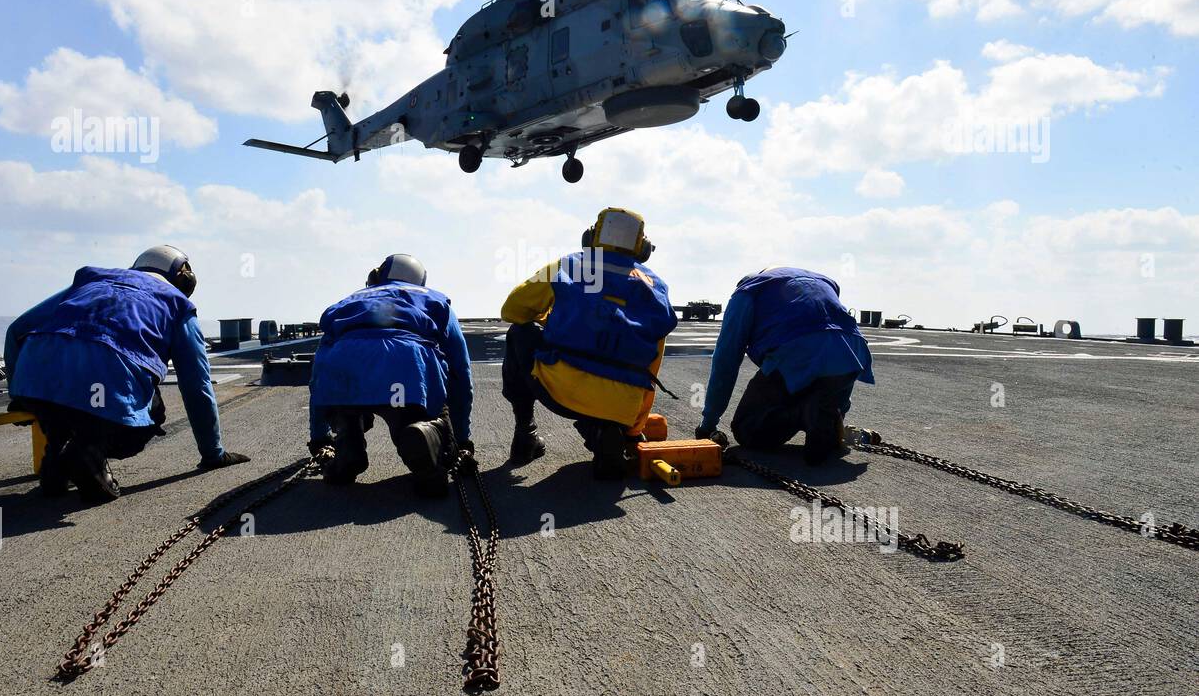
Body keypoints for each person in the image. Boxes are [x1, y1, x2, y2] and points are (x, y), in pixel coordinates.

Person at [4, 245, 249, 501]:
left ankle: (58, 461)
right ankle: (88, 452)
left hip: (34, 379)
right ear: (183, 279)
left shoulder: (93, 280)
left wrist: (18, 395)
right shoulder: (178, 306)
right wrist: (213, 453)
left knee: (65, 404)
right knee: (149, 413)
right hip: (106, 380)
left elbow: (16, 329)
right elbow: (197, 386)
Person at [500, 207, 678, 479]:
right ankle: (605, 433)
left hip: (561, 391)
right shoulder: (656, 287)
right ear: (643, 248)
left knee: (519, 332)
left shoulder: (569, 264)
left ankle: (526, 434)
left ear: (590, 237)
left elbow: (512, 310)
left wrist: (555, 321)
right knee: (613, 376)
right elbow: (653, 364)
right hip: (622, 404)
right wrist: (633, 430)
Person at [308, 254, 473, 498]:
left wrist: (319, 438)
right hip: (406, 372)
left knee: (344, 407)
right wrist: (460, 440)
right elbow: (461, 371)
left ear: (376, 277)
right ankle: (423, 435)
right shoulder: (435, 300)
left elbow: (318, 374)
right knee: (417, 423)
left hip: (344, 372)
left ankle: (347, 445)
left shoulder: (346, 302)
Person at [695, 267, 874, 465]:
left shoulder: (748, 291)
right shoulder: (825, 282)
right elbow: (834, 339)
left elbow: (726, 359)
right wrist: (840, 410)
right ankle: (826, 422)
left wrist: (708, 424)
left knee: (747, 429)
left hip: (797, 351)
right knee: (823, 407)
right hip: (853, 352)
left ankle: (804, 414)